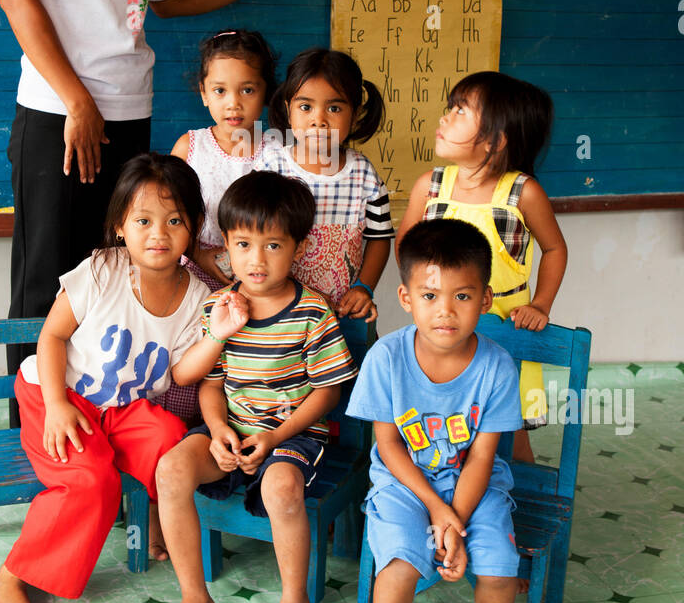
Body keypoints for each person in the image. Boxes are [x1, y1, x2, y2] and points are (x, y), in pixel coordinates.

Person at [0, 0, 315, 412]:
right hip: (58, 117)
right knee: (47, 277)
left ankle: (107, 422)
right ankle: (40, 425)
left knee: (118, 269)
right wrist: (77, 100)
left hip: (126, 114)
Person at [0, 153, 250, 603]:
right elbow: (51, 338)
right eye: (144, 220)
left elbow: (184, 373)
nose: (159, 233)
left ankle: (152, 509)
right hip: (58, 396)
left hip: (124, 412)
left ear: (193, 228)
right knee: (91, 481)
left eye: (175, 221)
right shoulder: (102, 271)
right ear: (119, 227)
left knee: (170, 435)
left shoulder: (197, 294)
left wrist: (218, 333)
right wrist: (56, 406)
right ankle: (13, 574)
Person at [144, 171, 356, 603]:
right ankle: (195, 599)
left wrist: (276, 435)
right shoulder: (221, 306)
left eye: (272, 246)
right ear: (226, 247)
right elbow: (211, 384)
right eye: (242, 244)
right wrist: (217, 430)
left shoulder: (313, 312)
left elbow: (328, 392)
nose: (255, 260)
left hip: (294, 433)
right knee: (171, 469)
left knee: (280, 489)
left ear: (298, 247)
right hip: (232, 430)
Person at [346, 219, 528, 603]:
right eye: (429, 295)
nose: (445, 310)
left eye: (462, 295)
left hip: (474, 485)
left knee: (500, 566)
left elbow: (482, 459)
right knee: (401, 563)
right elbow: (389, 446)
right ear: (405, 297)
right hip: (405, 484)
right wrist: (438, 511)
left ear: (486, 299)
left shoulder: (496, 366)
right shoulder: (386, 357)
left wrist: (458, 518)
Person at [396, 71, 567, 463]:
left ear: (494, 139)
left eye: (459, 111)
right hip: (443, 321)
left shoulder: (523, 193)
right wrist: (422, 293)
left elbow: (555, 249)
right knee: (448, 414)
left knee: (511, 425)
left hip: (507, 326)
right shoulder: (430, 186)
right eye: (449, 108)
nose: (444, 117)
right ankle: (451, 487)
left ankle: (518, 503)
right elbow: (406, 245)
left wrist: (541, 304)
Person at [259, 48, 394, 341]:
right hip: (281, 313)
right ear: (288, 108)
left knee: (349, 382)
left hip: (343, 314)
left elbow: (380, 238)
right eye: (306, 107)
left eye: (334, 108)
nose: (319, 119)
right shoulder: (271, 167)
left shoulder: (363, 174)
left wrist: (364, 288)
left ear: (355, 114)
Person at [171, 28, 279, 290]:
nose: (233, 103)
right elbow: (169, 213)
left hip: (259, 279)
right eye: (220, 90)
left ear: (265, 92)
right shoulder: (190, 147)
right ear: (204, 93)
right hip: (193, 277)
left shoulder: (278, 152)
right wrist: (197, 253)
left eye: (248, 90)